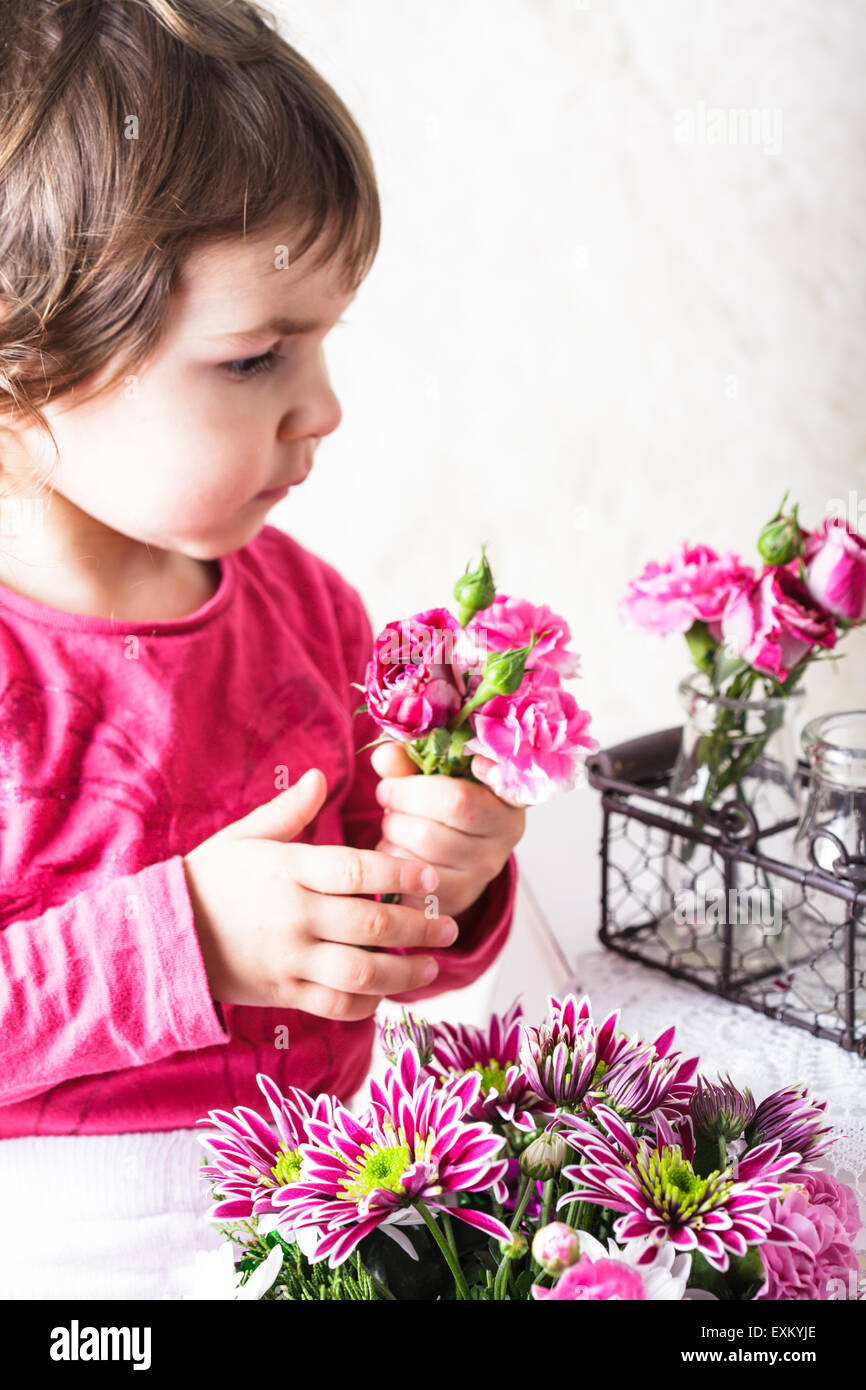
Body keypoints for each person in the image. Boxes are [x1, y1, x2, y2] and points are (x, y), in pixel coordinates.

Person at [0, 0, 523, 1298]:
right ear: (24, 365)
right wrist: (184, 940)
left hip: (327, 1198)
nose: (324, 406)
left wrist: (439, 874)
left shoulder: (313, 617)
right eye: (253, 357)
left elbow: (384, 943)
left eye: (325, 337)